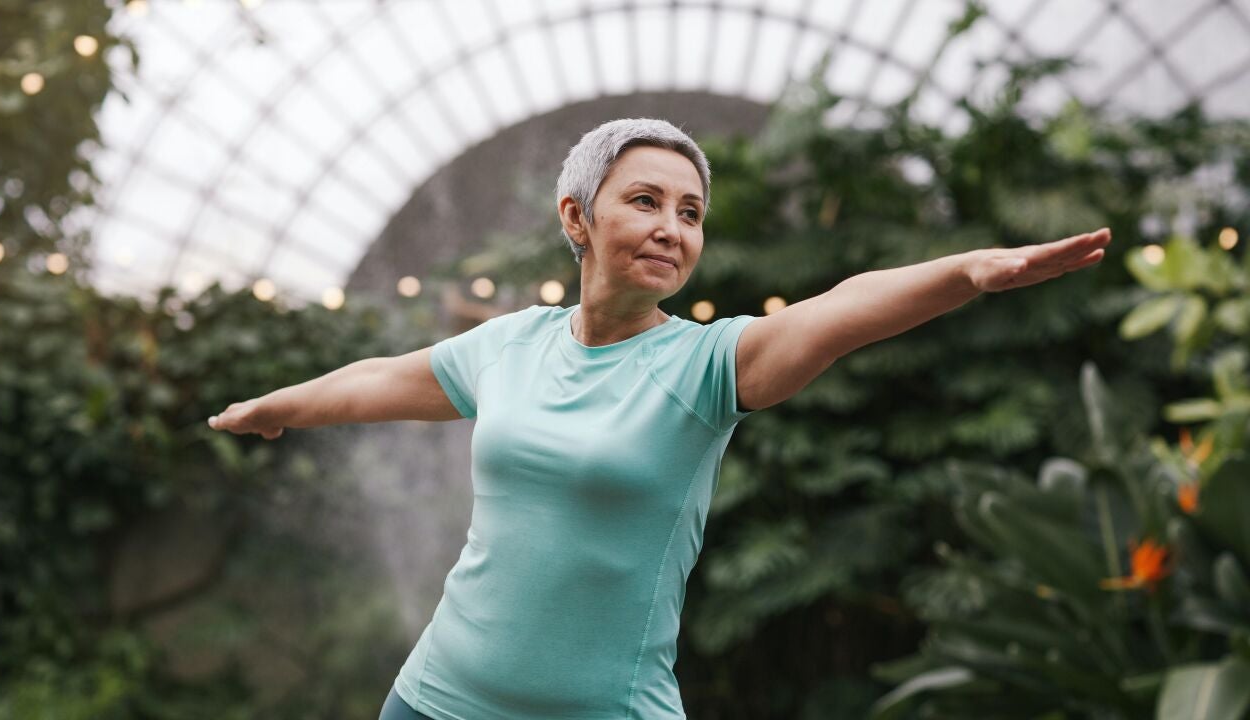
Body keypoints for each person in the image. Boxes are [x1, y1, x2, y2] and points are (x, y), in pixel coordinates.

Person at [208, 118, 1111, 719]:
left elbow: (841, 306)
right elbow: (379, 381)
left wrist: (966, 272)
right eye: (645, 201)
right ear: (578, 215)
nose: (673, 228)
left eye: (690, 213)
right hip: (437, 699)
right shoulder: (509, 346)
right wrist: (274, 407)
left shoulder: (709, 366)